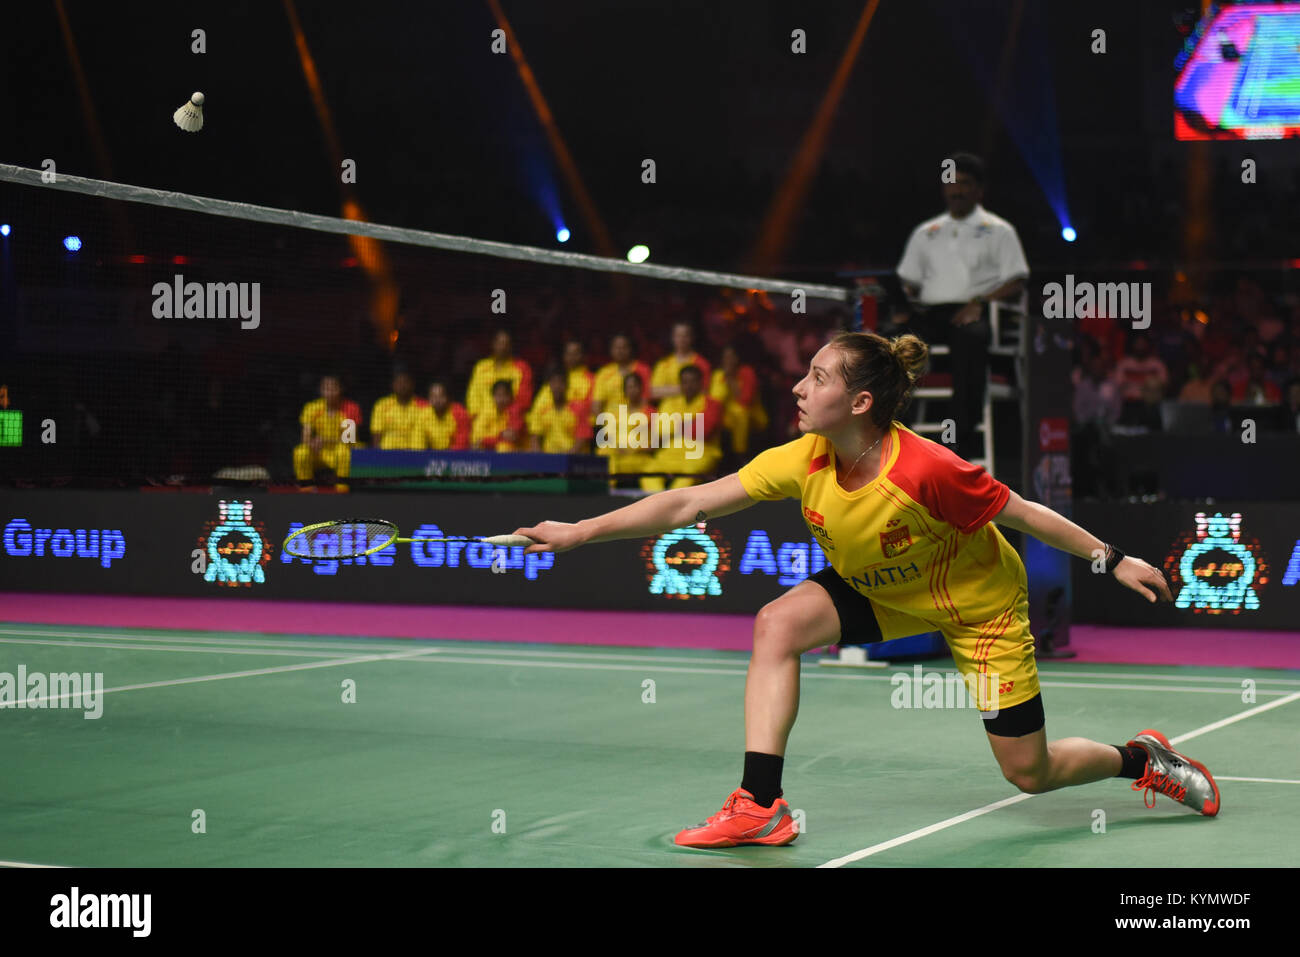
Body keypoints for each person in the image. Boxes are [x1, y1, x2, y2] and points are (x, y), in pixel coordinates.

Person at [513, 331, 1218, 848]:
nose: (798, 386)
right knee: (776, 623)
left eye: (816, 377)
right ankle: (761, 802)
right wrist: (579, 531)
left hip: (981, 609)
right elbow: (688, 504)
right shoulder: (803, 457)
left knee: (1028, 773)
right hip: (883, 589)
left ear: (860, 400)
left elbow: (1024, 513)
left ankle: (1142, 757)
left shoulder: (929, 469)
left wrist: (1110, 556)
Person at [889, 152, 1029, 461]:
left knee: (971, 337)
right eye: (951, 184)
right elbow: (908, 281)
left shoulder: (999, 230)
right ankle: (895, 432)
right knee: (894, 339)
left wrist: (980, 302)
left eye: (964, 184)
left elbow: (1016, 282)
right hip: (930, 313)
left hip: (976, 311)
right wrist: (904, 300)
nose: (957, 191)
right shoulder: (925, 232)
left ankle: (961, 439)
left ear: (979, 190)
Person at [641, 365, 723, 492]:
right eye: (685, 382)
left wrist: (677, 426)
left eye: (693, 381)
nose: (689, 386)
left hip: (701, 454)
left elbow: (704, 431)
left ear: (701, 383)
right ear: (680, 384)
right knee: (649, 472)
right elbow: (661, 431)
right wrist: (690, 423)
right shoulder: (669, 403)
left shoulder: (712, 404)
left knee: (688, 475)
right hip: (671, 453)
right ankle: (659, 504)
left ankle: (669, 505)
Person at [293, 374, 361, 483]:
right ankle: (306, 488)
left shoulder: (350, 408)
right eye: (325, 388)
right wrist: (312, 443)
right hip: (319, 452)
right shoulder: (312, 407)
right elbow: (305, 437)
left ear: (341, 389)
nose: (329, 392)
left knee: (344, 452)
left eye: (333, 388)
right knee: (300, 452)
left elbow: (348, 439)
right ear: (320, 389)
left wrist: (324, 440)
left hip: (342, 451)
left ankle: (342, 489)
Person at [709, 343, 768, 461]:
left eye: (731, 357)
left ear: (737, 358)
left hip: (752, 415)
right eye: (726, 357)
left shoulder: (747, 372)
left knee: (741, 414)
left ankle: (740, 456)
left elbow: (745, 400)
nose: (728, 361)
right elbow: (714, 400)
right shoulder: (718, 375)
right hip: (728, 415)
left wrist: (730, 378)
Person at [465, 329, 533, 423]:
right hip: (484, 423)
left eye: (506, 344)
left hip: (510, 423)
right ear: (493, 344)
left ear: (511, 346)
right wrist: (478, 418)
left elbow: (524, 400)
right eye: (499, 343)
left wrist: (510, 419)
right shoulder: (481, 367)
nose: (503, 347)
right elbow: (473, 395)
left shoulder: (522, 368)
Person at [527, 367, 593, 454]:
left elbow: (581, 441)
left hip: (572, 460)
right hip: (548, 459)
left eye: (560, 383)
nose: (557, 386)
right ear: (549, 385)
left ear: (567, 386)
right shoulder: (543, 410)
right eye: (553, 382)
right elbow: (535, 438)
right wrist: (541, 458)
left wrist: (563, 459)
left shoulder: (579, 409)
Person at [591, 334, 652, 418]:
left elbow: (646, 400)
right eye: (617, 347)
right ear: (611, 350)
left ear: (630, 349)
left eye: (624, 347)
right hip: (611, 424)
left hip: (637, 422)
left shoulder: (643, 370)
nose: (620, 351)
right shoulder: (603, 373)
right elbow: (597, 406)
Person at [650, 321, 712, 400]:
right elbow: (654, 392)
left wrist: (668, 390)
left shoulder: (702, 363)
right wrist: (688, 388)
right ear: (672, 338)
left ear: (692, 338)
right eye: (678, 336)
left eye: (685, 336)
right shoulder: (663, 364)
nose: (682, 339)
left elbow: (704, 391)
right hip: (669, 411)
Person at [369, 371, 427, 450]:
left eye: (405, 382)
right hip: (388, 452)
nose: (402, 386)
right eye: (398, 382)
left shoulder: (423, 406)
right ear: (392, 385)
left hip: (414, 453)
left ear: (412, 385)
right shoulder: (382, 405)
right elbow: (376, 434)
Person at [471, 380, 526, 451]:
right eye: (498, 395)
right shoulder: (487, 412)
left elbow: (512, 436)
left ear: (511, 396)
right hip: (490, 449)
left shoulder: (515, 411)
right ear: (493, 397)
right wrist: (501, 435)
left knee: (504, 447)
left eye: (504, 395)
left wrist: (484, 440)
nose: (501, 399)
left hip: (517, 452)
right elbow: (476, 438)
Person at [421, 380, 470, 451]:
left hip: (455, 456)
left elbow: (462, 442)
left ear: (448, 397)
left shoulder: (459, 413)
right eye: (433, 396)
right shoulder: (423, 415)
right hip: (431, 455)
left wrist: (445, 455)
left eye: (441, 396)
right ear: (429, 399)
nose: (437, 400)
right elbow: (419, 442)